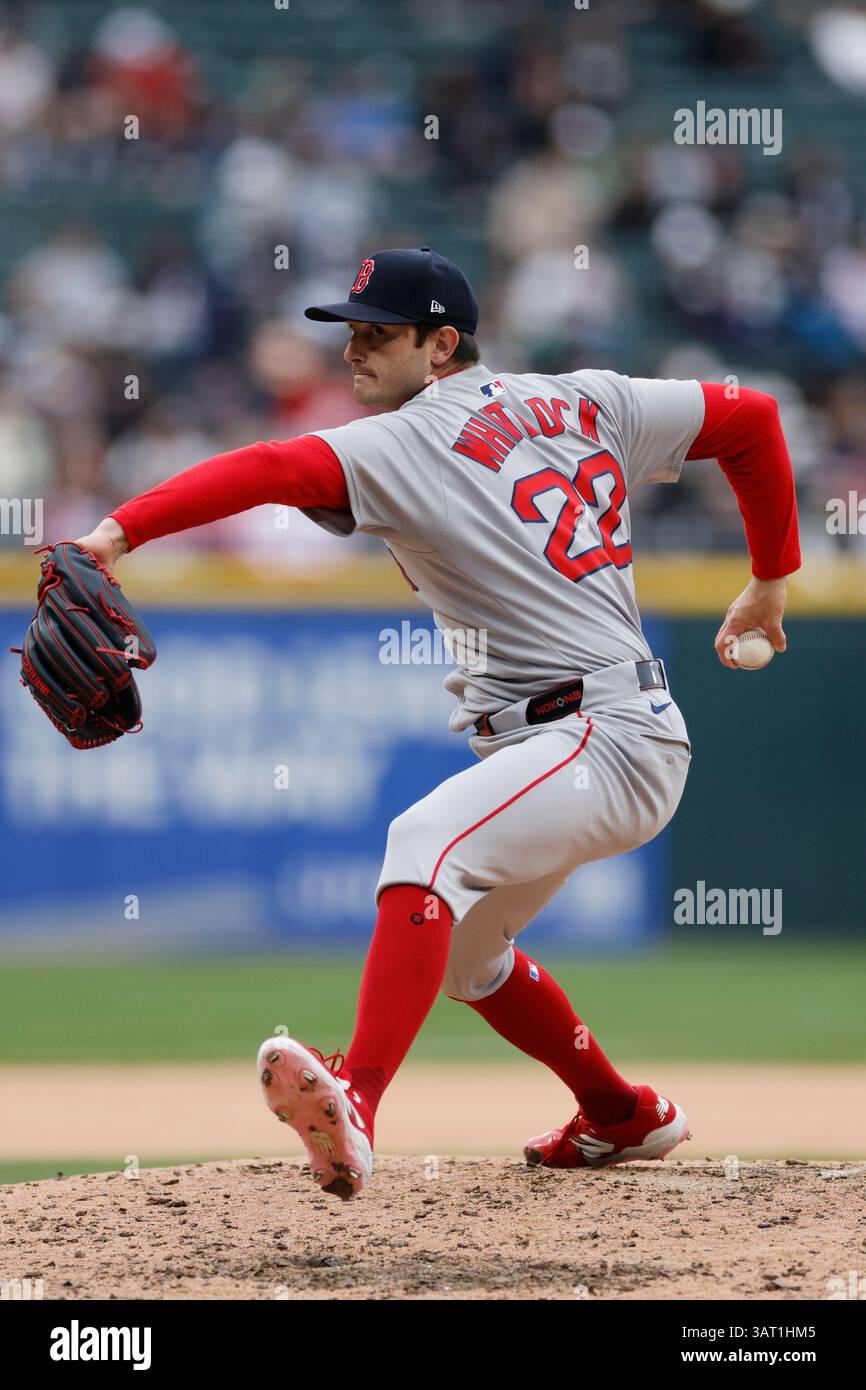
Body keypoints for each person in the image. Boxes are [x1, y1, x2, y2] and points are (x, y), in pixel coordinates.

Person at [76, 248, 800, 1200]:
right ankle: (621, 1113)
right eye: (348, 332)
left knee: (422, 845)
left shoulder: (408, 438)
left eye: (378, 333)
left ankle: (360, 1102)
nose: (354, 350)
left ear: (442, 342)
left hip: (600, 735)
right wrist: (770, 578)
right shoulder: (589, 397)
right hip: (601, 730)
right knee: (465, 956)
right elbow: (751, 418)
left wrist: (112, 536)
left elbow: (267, 467)